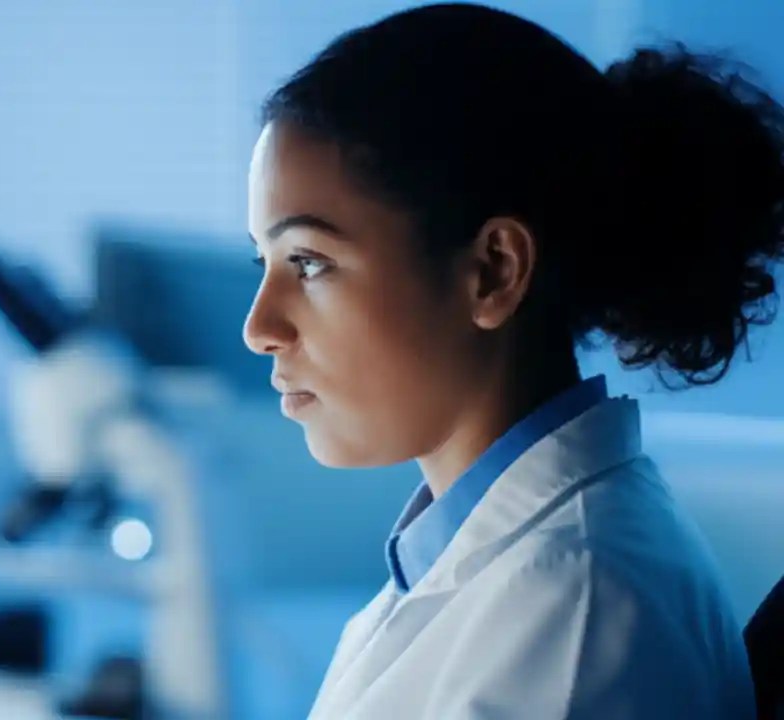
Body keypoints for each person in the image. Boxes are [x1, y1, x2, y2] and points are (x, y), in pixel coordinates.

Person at [243, 3, 783, 718]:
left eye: (310, 262)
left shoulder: (572, 619)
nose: (259, 328)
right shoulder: (482, 564)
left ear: (493, 272)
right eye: (264, 261)